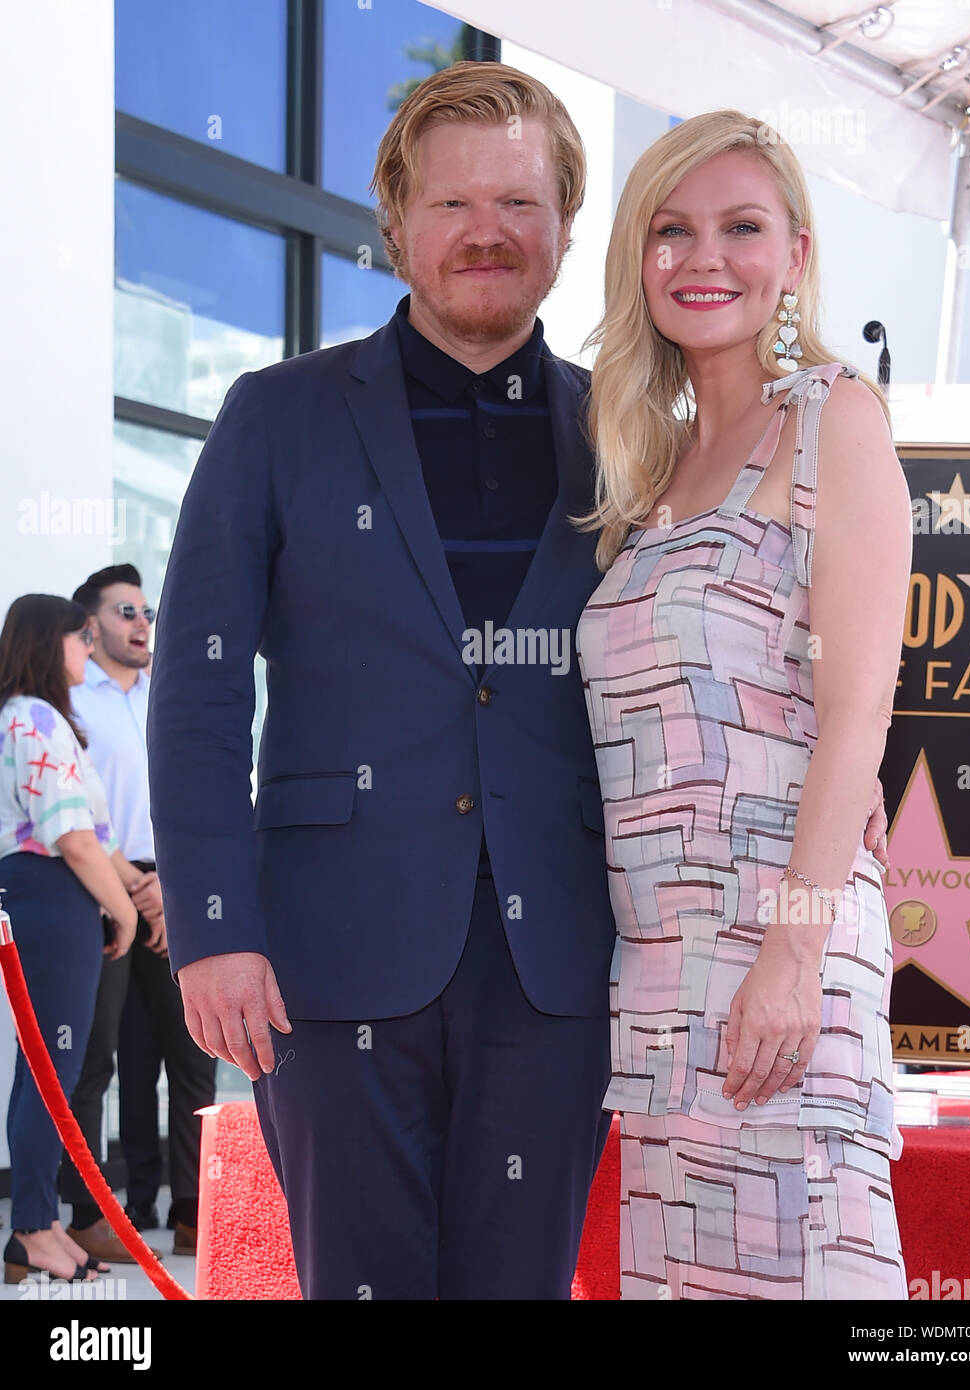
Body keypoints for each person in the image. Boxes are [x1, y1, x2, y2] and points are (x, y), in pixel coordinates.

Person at [146, 62, 889, 1300]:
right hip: (335, 962)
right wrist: (214, 930)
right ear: (396, 228)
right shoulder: (273, 417)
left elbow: (771, 648)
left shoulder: (631, 438)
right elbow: (200, 689)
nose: (486, 232)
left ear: (562, 229)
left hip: (571, 964)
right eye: (451, 207)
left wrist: (836, 822)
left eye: (519, 205)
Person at [574, 110, 912, 1300]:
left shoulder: (834, 420)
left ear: (797, 257)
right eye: (671, 230)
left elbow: (859, 710)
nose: (702, 257)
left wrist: (792, 951)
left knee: (807, 1271)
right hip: (656, 975)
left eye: (741, 227)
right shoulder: (641, 470)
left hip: (783, 954)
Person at [57, 564, 215, 1265]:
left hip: (173, 884)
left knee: (191, 1056)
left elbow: (201, 790)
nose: (142, 622)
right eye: (126, 611)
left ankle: (192, 1211)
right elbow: (77, 814)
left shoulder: (169, 695)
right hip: (93, 887)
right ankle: (91, 1212)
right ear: (89, 627)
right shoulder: (66, 701)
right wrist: (131, 893)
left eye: (146, 610)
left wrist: (165, 889)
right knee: (99, 1061)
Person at [0, 595, 138, 1284]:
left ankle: (41, 1222)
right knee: (50, 1071)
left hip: (50, 897)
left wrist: (128, 893)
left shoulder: (40, 720)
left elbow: (96, 838)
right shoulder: (35, 717)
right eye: (80, 637)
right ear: (47, 643)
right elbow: (72, 839)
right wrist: (130, 912)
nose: (88, 648)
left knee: (46, 1069)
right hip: (50, 898)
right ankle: (31, 1227)